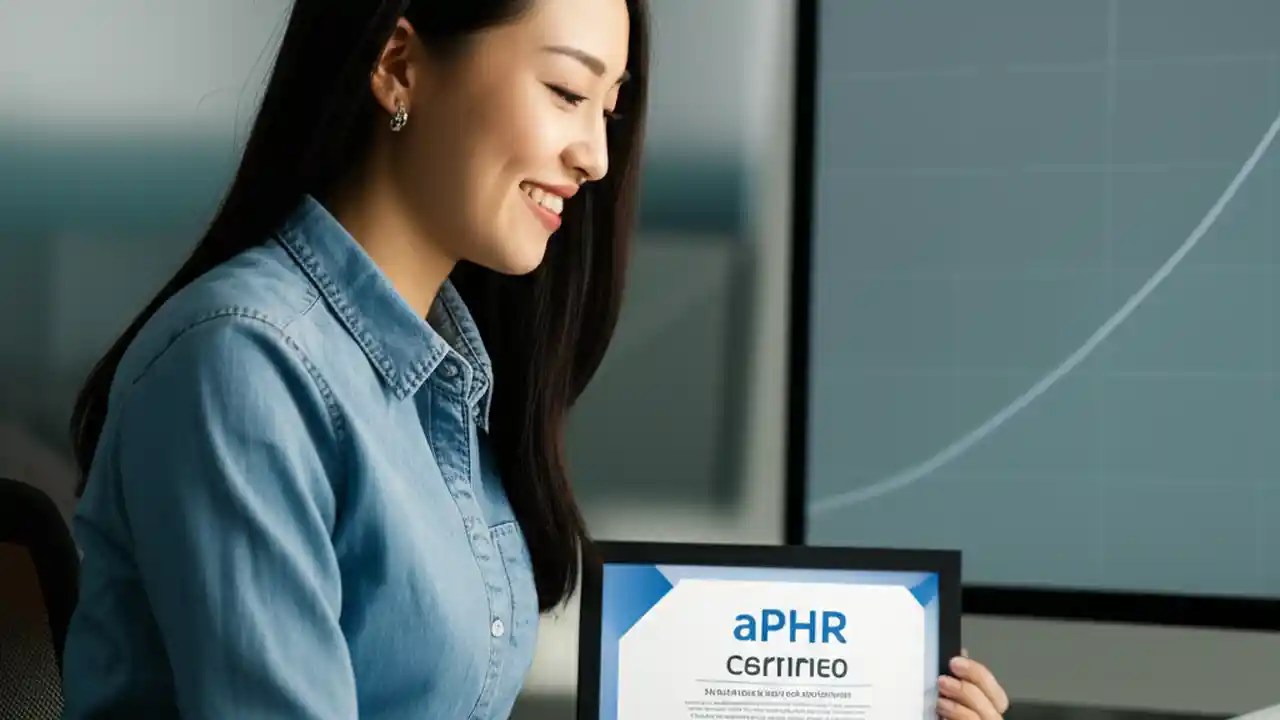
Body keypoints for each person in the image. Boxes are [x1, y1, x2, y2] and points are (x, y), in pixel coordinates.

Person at [58, 0, 1011, 717]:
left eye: (610, 107)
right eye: (565, 91)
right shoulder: (246, 367)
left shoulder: (443, 382)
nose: (596, 154)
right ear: (398, 64)